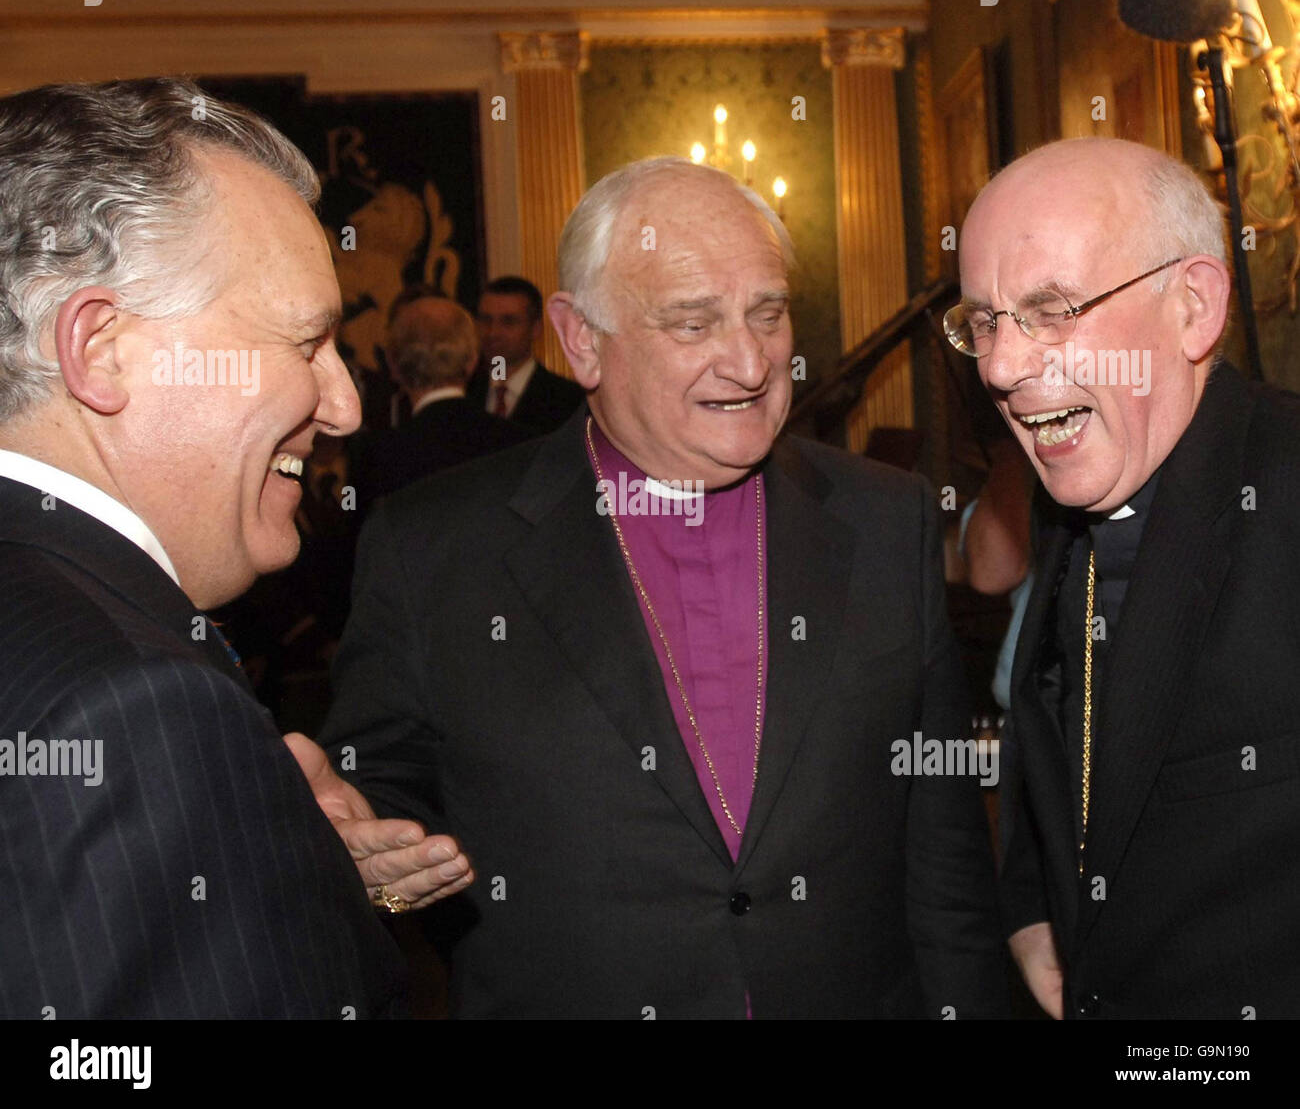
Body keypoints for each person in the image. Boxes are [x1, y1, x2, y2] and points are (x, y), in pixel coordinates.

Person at [317, 155, 1007, 1018]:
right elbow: (378, 787)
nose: (752, 363)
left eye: (769, 313)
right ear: (580, 340)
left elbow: (944, 856)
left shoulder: (882, 519)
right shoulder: (434, 547)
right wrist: (364, 851)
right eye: (693, 323)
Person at [0, 77, 470, 1019]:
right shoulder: (130, 706)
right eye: (307, 342)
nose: (343, 404)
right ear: (101, 348)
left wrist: (279, 857)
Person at [949, 136, 1300, 1018]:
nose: (997, 365)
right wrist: (1031, 908)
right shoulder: (1080, 485)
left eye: (1052, 308)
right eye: (983, 321)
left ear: (1192, 306)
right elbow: (1066, 737)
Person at [350, 288, 528, 512]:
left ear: (393, 365)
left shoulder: (377, 456)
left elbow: (362, 541)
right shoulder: (519, 442)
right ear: (472, 361)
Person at [466, 275, 585, 434]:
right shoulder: (465, 392)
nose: (493, 332)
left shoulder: (568, 399)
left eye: (508, 322)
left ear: (535, 328)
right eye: (485, 320)